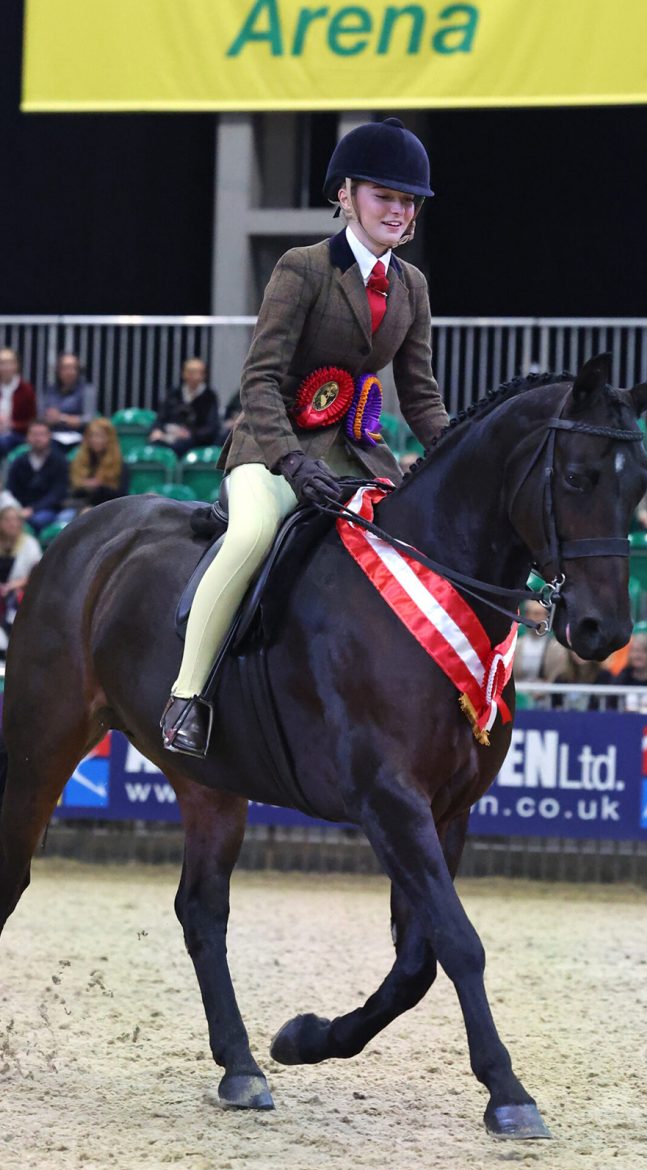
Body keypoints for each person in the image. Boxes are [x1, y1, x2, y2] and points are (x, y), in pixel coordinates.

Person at [162, 118, 448, 755]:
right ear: (345, 195)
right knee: (252, 537)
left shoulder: (413, 286)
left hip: (358, 453)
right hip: (272, 448)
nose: (399, 211)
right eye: (384, 196)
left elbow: (421, 396)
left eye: (409, 201)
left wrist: (460, 454)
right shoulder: (304, 268)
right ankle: (188, 696)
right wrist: (290, 461)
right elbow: (260, 378)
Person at [6, 420, 70, 532]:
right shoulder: (19, 462)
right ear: (27, 437)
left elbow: (58, 493)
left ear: (49, 436)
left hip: (49, 509)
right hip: (21, 508)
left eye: (41, 434)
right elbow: (12, 489)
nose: (37, 439)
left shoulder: (60, 461)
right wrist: (18, 509)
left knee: (36, 521)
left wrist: (33, 509)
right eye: (34, 434)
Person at [0, 348, 37, 466]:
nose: (6, 367)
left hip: (18, 434)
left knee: (5, 442)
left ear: (16, 365)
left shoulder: (26, 390)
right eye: (2, 363)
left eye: (9, 363)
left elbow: (32, 421)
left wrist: (13, 424)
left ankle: (7, 474)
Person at [150, 358, 220, 457]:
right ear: (183, 373)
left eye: (197, 372)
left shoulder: (210, 396)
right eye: (190, 372)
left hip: (194, 441)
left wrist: (190, 434)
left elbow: (211, 427)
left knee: (178, 447)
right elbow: (161, 417)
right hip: (168, 434)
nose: (193, 376)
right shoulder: (174, 393)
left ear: (204, 375)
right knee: (153, 446)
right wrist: (157, 430)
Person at [0, 507, 42, 611]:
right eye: (7, 520)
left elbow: (37, 573)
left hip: (21, 594)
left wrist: (13, 586)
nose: (11, 524)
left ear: (21, 523)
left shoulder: (31, 544)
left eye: (15, 520)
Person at [40, 352, 98, 442]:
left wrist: (61, 418)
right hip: (51, 437)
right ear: (58, 370)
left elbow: (89, 419)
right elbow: (41, 416)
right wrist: (49, 419)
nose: (69, 372)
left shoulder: (87, 390)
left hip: (80, 438)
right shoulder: (49, 391)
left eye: (73, 368)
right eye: (65, 368)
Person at [68, 417, 124, 507]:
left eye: (100, 436)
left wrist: (100, 487)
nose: (95, 440)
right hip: (80, 506)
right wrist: (84, 486)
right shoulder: (79, 460)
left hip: (109, 508)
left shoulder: (119, 464)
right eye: (92, 436)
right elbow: (72, 492)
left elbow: (122, 495)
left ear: (109, 439)